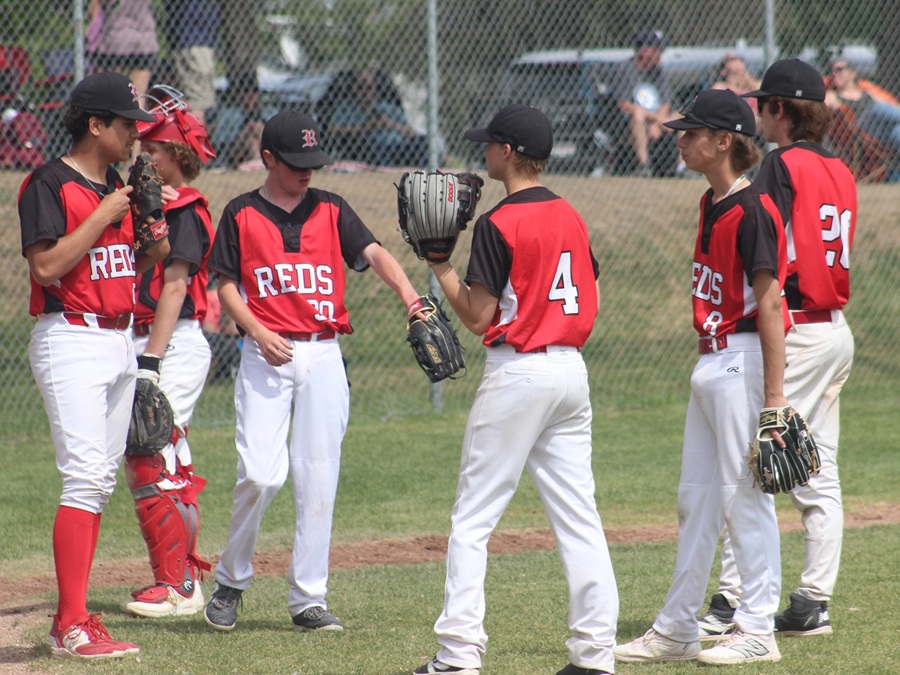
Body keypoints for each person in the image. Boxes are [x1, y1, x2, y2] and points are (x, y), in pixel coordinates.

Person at [412, 103, 618, 675]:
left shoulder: (500, 222)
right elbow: (583, 278)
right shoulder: (571, 214)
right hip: (570, 373)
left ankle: (456, 657)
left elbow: (478, 316)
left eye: (489, 145)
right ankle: (595, 655)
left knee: (472, 521)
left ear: (507, 153)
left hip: (520, 371)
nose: (485, 152)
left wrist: (440, 265)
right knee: (580, 517)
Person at [203, 111, 427, 633]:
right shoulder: (240, 212)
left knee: (317, 474)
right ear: (268, 159)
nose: (308, 172)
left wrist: (411, 297)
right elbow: (225, 287)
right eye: (296, 163)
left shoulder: (331, 206)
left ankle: (308, 597)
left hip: (323, 354)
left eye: (313, 161)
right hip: (266, 354)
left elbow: (373, 253)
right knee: (260, 474)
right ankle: (231, 582)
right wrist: (256, 332)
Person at [614, 89, 788, 667]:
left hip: (741, 357)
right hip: (711, 358)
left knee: (746, 500)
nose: (681, 140)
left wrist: (775, 402)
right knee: (696, 500)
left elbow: (769, 304)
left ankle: (758, 626)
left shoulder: (755, 208)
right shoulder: (709, 201)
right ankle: (677, 628)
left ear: (725, 141)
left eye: (692, 133)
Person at [697, 58, 857, 642]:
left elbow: (761, 242)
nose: (758, 112)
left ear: (780, 110)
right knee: (820, 471)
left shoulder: (779, 165)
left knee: (755, 457)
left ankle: (734, 602)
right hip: (835, 328)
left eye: (764, 103)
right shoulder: (840, 167)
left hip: (798, 327)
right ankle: (813, 599)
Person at [17, 71, 169, 658]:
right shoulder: (48, 183)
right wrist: (105, 214)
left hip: (118, 339)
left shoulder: (119, 185)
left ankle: (74, 619)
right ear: (95, 125)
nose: (136, 136)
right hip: (70, 338)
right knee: (84, 475)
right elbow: (48, 267)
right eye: (127, 125)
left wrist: (149, 218)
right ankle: (72, 625)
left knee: (100, 480)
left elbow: (152, 253)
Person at [121, 87, 217, 618]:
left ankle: (178, 586)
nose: (145, 159)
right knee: (163, 456)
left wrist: (150, 364)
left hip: (171, 341)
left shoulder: (187, 210)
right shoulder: (145, 205)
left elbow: (175, 290)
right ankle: (178, 583)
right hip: (143, 338)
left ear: (179, 155)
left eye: (154, 149)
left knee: (152, 453)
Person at [608, 29, 676, 177]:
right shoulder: (624, 69)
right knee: (638, 113)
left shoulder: (658, 71)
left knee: (681, 115)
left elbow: (665, 103)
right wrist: (656, 119)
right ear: (645, 51)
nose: (662, 53)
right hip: (626, 122)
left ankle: (682, 167)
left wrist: (656, 123)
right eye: (658, 49)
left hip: (655, 120)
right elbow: (625, 105)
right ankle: (643, 165)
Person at [329, 69, 429, 166]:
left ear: (374, 89)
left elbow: (411, 132)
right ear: (354, 88)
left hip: (398, 147)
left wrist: (388, 123)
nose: (365, 92)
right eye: (360, 87)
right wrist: (365, 128)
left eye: (368, 87)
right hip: (370, 147)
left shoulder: (388, 108)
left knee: (424, 142)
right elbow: (335, 130)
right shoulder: (347, 108)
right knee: (375, 145)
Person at [88, 0, 160, 101]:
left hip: (114, 41)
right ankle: (136, 114)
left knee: (110, 97)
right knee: (138, 95)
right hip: (144, 41)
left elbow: (93, 12)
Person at [163, 0, 218, 123]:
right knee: (197, 104)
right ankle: (193, 141)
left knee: (193, 102)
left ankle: (190, 139)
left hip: (191, 38)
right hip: (196, 39)